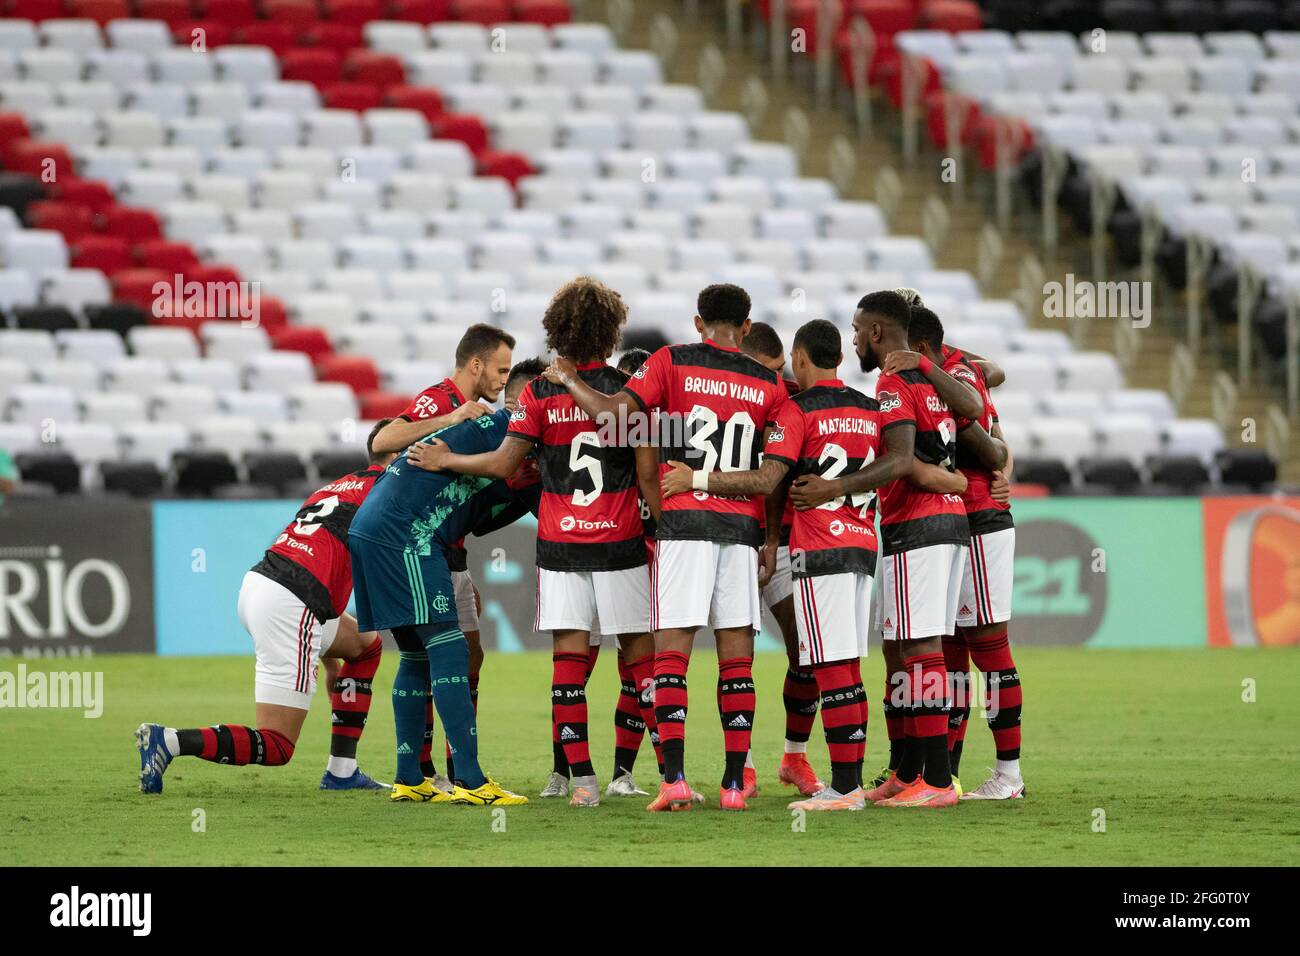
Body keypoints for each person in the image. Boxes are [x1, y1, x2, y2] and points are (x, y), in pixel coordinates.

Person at [664, 319, 966, 810]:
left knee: (829, 666)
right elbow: (901, 461)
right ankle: (860, 779)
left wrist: (696, 478)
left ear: (800, 360)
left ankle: (845, 788)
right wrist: (952, 480)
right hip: (864, 546)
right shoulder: (872, 408)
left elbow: (766, 481)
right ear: (839, 360)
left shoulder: (796, 410)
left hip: (818, 548)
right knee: (847, 663)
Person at [412, 279, 660, 808]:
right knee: (642, 663)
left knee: (568, 665)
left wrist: (447, 459)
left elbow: (505, 464)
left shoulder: (540, 393)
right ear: (611, 331)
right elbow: (647, 474)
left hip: (561, 545)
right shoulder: (628, 389)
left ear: (557, 330)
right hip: (620, 541)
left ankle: (584, 784)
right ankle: (672, 775)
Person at [543, 283, 787, 812]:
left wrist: (566, 379)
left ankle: (673, 780)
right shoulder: (770, 384)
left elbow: (613, 416)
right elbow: (776, 476)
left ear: (698, 321)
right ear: (746, 328)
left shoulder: (670, 361)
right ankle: (731, 786)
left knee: (672, 656)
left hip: (684, 528)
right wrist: (770, 540)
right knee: (737, 662)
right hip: (741, 534)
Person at [136, 422, 398, 795]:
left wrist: (326, 656)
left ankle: (342, 770)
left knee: (364, 644)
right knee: (277, 745)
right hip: (292, 604)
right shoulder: (388, 491)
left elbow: (322, 554)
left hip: (263, 584)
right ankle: (171, 741)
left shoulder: (337, 486)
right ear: (395, 452)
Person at [791, 290, 974, 809]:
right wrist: (955, 481)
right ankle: (910, 770)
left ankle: (936, 781)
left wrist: (834, 487)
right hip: (944, 525)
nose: (852, 340)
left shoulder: (895, 381)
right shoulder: (930, 376)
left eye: (857, 329)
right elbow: (973, 411)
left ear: (876, 333)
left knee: (919, 652)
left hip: (918, 525)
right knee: (913, 650)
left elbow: (897, 460)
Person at [347, 361, 543, 806]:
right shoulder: (503, 427)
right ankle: (472, 783)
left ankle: (408, 778)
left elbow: (541, 508)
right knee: (450, 648)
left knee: (416, 654)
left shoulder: (525, 456)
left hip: (377, 529)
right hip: (406, 534)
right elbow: (500, 467)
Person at [370, 323, 517, 785]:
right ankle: (447, 773)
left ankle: (432, 771)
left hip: (448, 551)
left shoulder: (481, 414)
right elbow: (382, 441)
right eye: (500, 370)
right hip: (416, 546)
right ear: (476, 364)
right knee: (438, 654)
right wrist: (450, 420)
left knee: (464, 656)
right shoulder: (441, 398)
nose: (502, 380)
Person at [905, 307, 1024, 800]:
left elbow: (990, 444)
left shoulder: (950, 378)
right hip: (956, 522)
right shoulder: (962, 370)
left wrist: (1003, 461)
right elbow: (995, 382)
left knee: (989, 648)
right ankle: (944, 774)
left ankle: (1009, 776)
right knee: (951, 651)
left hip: (979, 518)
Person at [739, 321, 822, 798]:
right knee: (738, 655)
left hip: (786, 540)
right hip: (727, 536)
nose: (774, 381)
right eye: (765, 372)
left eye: (778, 371)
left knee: (806, 649)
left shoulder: (791, 397)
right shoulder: (713, 394)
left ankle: (794, 757)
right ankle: (742, 764)